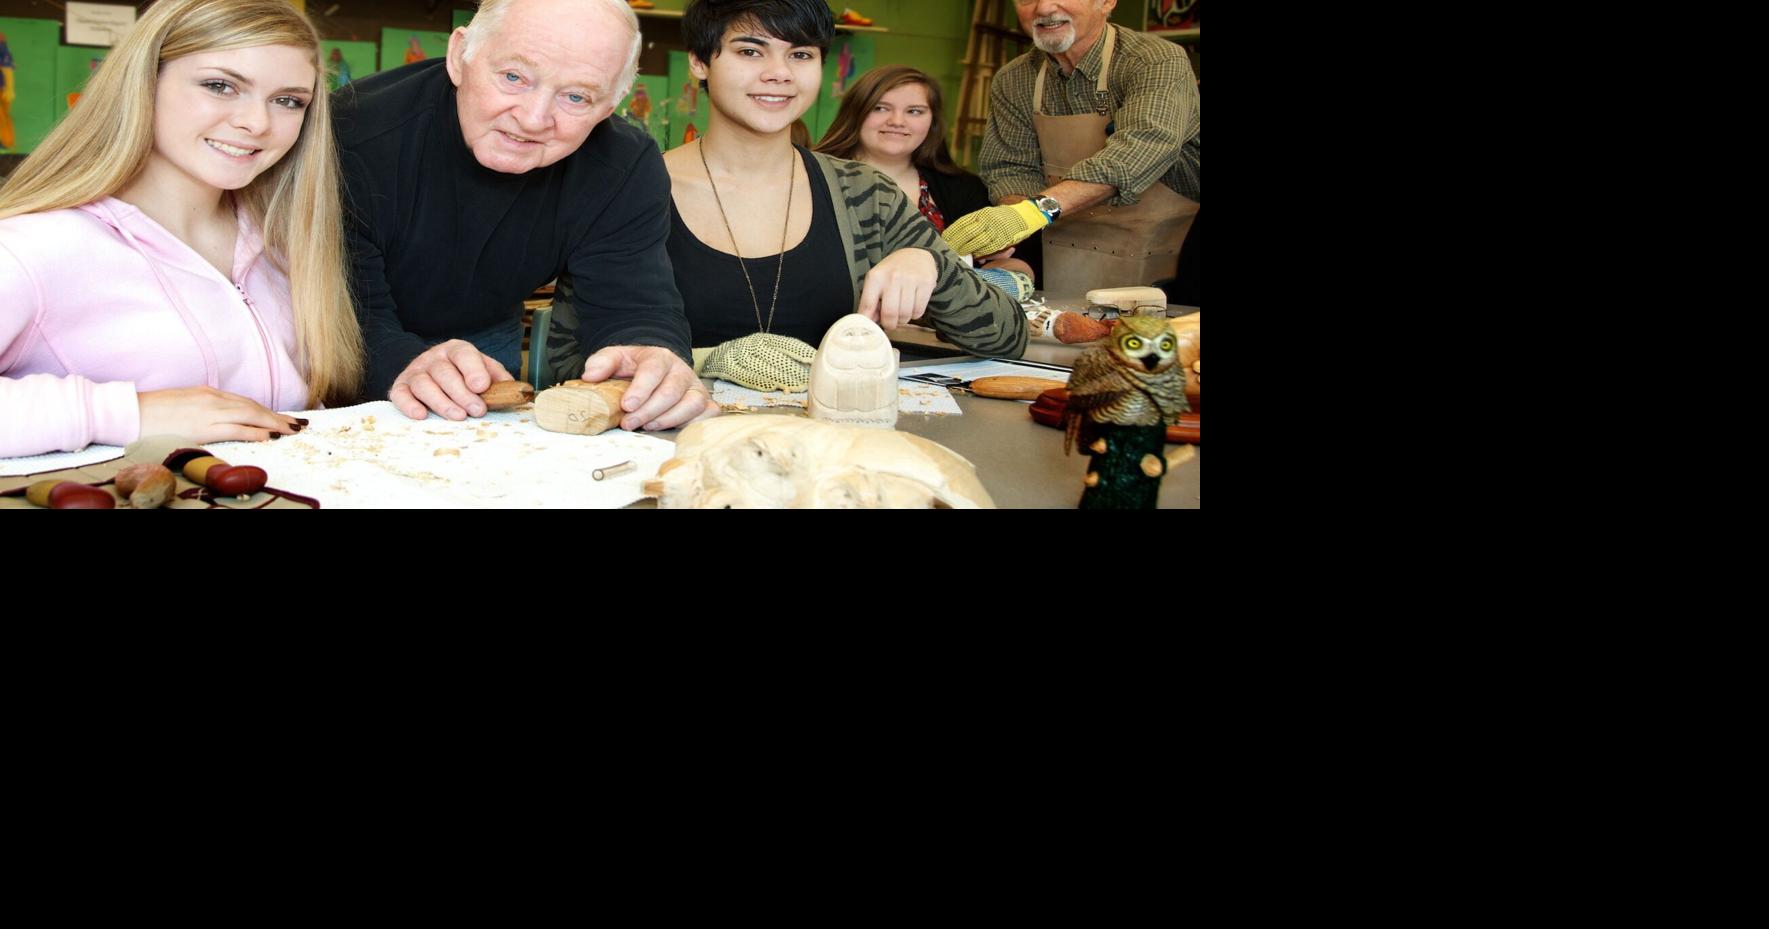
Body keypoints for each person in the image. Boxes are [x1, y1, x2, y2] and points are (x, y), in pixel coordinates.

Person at [1, 0, 362, 457]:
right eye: (220, 86)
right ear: (144, 83)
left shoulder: (283, 244)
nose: (257, 123)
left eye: (288, 101)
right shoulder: (34, 247)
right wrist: (127, 413)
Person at [334, 0, 712, 430]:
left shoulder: (624, 165)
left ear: (609, 106)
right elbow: (338, 306)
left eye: (576, 97)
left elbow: (633, 299)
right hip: (342, 322)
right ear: (461, 57)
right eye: (513, 77)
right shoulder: (351, 132)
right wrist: (397, 360)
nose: (533, 120)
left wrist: (652, 351)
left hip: (485, 328)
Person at [664, 0, 1025, 391]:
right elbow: (588, 345)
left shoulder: (865, 194)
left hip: (836, 438)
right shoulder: (637, 192)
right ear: (700, 62)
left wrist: (931, 266)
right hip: (664, 441)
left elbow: (1006, 336)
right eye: (750, 51)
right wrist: (703, 359)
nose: (779, 73)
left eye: (800, 54)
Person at [956, 0, 1200, 295]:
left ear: (1107, 2)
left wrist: (1033, 212)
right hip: (1061, 251)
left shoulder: (1155, 59)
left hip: (1170, 256)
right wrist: (1011, 222)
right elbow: (1011, 167)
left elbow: (1142, 147)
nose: (1044, 8)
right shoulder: (1014, 79)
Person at [815, 63, 1039, 290]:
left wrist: (996, 263)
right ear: (856, 113)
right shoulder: (812, 177)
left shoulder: (964, 189)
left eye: (914, 111)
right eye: (880, 108)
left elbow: (1019, 268)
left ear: (932, 122)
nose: (897, 121)